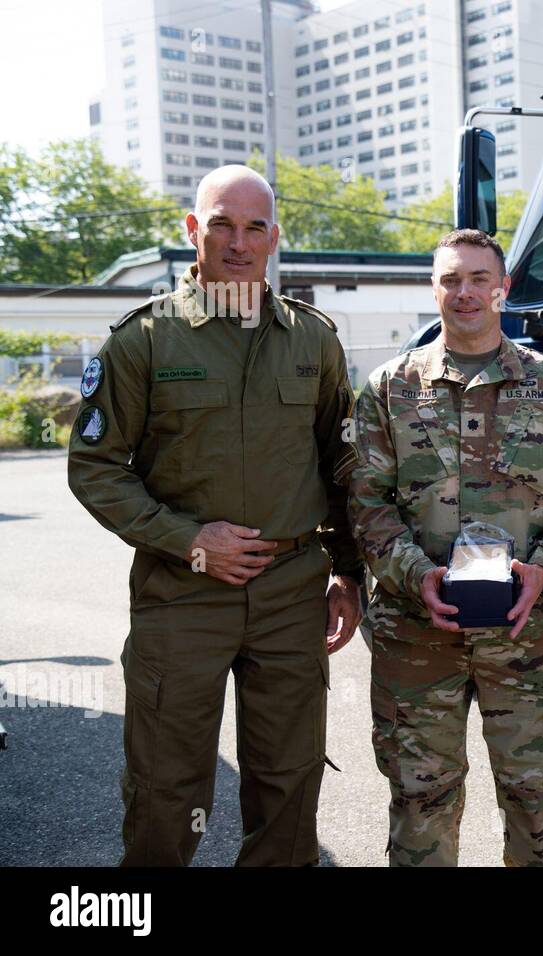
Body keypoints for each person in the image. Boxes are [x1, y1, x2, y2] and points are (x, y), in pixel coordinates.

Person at [67, 165, 363, 866]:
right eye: (221, 224)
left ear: (273, 237)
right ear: (192, 230)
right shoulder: (144, 340)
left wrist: (350, 575)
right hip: (182, 595)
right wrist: (188, 538)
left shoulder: (312, 340)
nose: (238, 242)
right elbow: (96, 466)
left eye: (254, 226)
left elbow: (344, 466)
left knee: (288, 783)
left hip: (292, 591)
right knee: (166, 787)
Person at [345, 228, 543, 867]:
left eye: (479, 279)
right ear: (434, 289)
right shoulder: (388, 388)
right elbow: (365, 501)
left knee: (534, 796)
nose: (465, 292)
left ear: (503, 288)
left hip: (524, 633)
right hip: (416, 635)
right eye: (451, 280)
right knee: (420, 800)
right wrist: (413, 575)